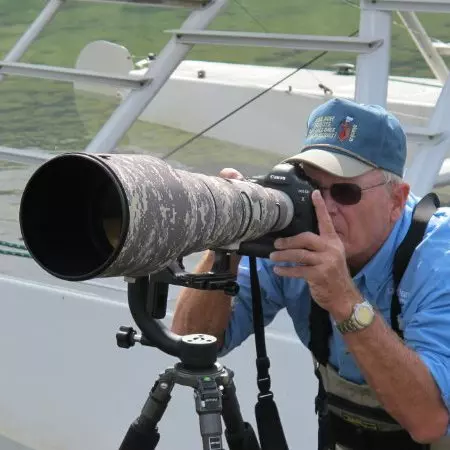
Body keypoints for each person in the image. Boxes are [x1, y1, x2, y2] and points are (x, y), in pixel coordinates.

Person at [171, 97, 450, 449]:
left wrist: (344, 300)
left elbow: (429, 421)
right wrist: (226, 240)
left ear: (396, 200)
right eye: (312, 188)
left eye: (345, 192)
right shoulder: (294, 239)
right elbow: (193, 343)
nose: (323, 207)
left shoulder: (439, 259)